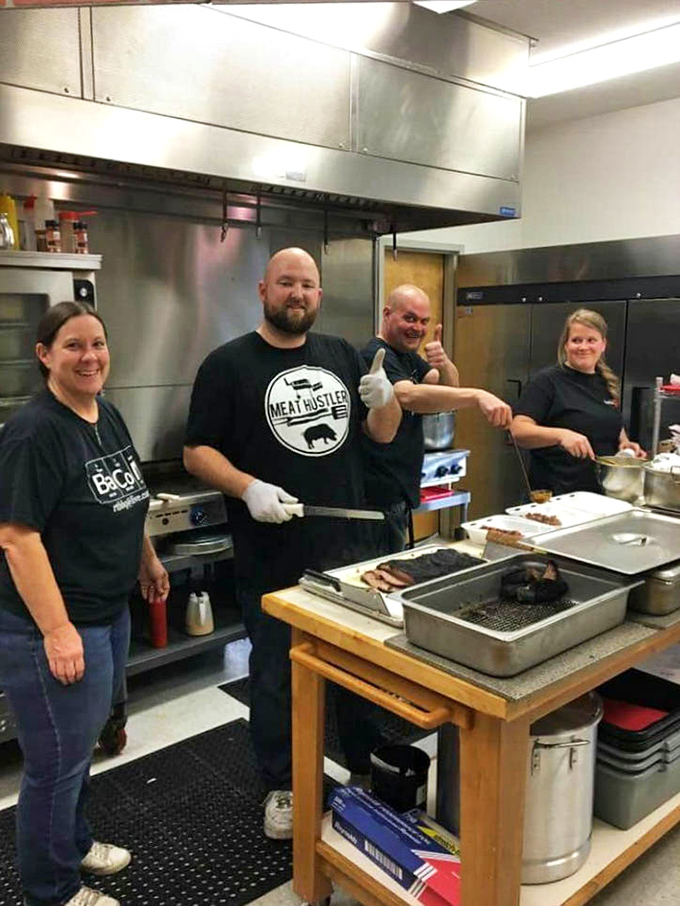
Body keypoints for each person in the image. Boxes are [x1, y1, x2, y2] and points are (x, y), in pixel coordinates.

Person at [183, 247, 400, 840]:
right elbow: (196, 451)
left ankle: (365, 765)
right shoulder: (227, 364)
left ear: (319, 295)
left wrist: (387, 401)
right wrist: (247, 487)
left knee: (358, 669)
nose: (296, 293)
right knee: (276, 675)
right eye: (285, 283)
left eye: (307, 284)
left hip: (348, 551)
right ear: (263, 290)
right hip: (271, 555)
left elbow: (380, 435)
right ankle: (282, 783)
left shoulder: (343, 355)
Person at [0, 301, 170, 906]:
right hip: (55, 624)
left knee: (79, 748)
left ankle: (70, 845)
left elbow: (126, 498)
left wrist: (147, 559)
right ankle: (52, 889)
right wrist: (57, 630)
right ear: (44, 355)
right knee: (55, 763)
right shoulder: (34, 433)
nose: (90, 356)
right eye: (73, 345)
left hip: (107, 611)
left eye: (97, 343)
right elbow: (17, 538)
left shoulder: (106, 413)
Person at [361, 284, 513, 552]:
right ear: (387, 314)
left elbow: (445, 389)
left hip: (399, 488)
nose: (417, 328)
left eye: (423, 321)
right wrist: (477, 395)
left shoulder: (407, 356)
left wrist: (444, 363)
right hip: (376, 495)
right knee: (380, 570)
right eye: (409, 318)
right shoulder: (377, 354)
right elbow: (406, 395)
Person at [511, 308, 645, 496]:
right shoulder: (547, 382)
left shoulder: (604, 382)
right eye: (576, 340)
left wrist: (624, 444)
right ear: (566, 345)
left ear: (603, 345)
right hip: (556, 497)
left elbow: (605, 419)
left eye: (591, 340)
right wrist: (561, 435)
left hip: (602, 496)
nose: (583, 347)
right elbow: (518, 430)